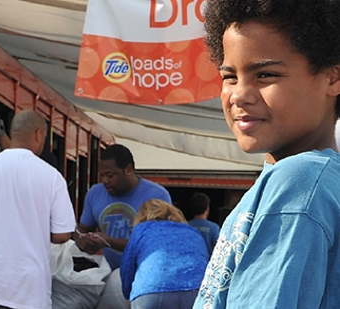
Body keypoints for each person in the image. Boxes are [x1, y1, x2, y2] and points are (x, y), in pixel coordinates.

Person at [193, 1, 340, 308]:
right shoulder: (317, 182)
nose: (239, 95)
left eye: (265, 75)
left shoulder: (300, 182)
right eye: (229, 77)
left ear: (333, 78)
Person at [0, 109, 76, 309]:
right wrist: (34, 229)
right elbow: (62, 234)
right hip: (29, 293)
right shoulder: (52, 178)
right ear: (38, 134)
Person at [74, 144, 172, 308]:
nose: (105, 181)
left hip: (145, 283)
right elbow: (82, 229)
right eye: (102, 175)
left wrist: (108, 241)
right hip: (109, 281)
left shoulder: (157, 196)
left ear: (128, 169)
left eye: (110, 175)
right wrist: (81, 240)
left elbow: (155, 245)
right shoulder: (95, 194)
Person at [121, 199, 208, 309]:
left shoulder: (141, 230)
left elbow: (127, 268)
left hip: (152, 292)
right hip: (196, 292)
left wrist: (128, 294)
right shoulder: (193, 232)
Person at [187, 193, 220, 257]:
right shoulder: (214, 228)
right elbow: (218, 249)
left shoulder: (186, 226)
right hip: (207, 264)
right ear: (207, 208)